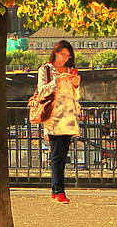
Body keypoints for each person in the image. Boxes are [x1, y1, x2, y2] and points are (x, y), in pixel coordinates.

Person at [35, 40, 83, 204]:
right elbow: (41, 91)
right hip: (54, 117)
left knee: (62, 156)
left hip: (69, 117)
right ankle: (58, 191)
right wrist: (58, 80)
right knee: (56, 155)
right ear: (56, 53)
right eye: (63, 55)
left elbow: (76, 96)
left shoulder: (71, 70)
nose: (65, 58)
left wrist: (76, 85)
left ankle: (56, 191)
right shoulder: (45, 70)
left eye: (68, 56)